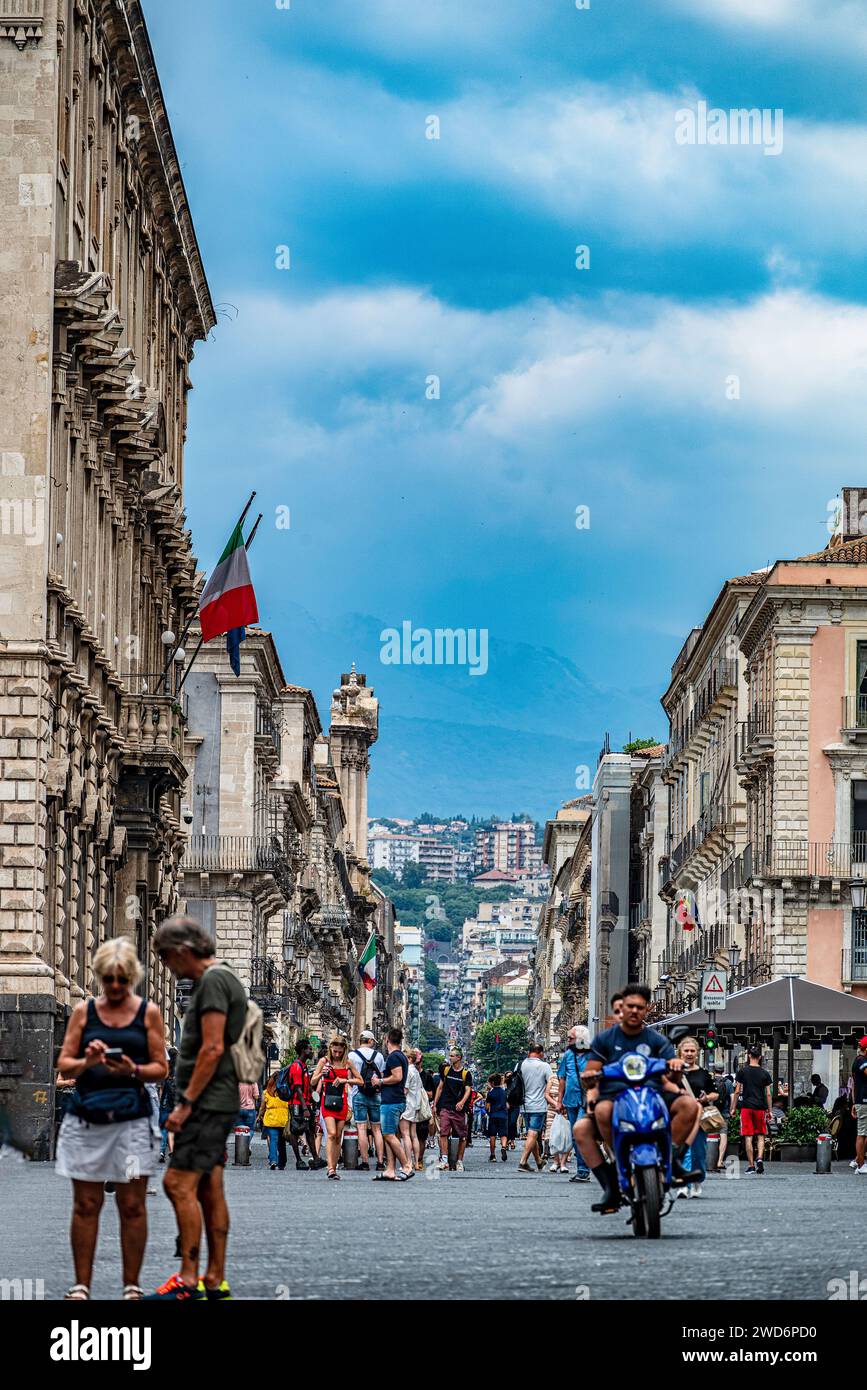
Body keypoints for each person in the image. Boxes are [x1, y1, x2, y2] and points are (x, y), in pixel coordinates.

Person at [55, 937, 168, 1301]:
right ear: (100, 976)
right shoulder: (83, 1012)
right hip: (86, 1118)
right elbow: (64, 1065)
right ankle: (81, 1285)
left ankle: (131, 1285)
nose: (116, 986)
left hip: (132, 1122)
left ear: (131, 977)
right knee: (86, 1204)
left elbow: (161, 1069)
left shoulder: (148, 1013)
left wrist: (132, 1067)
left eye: (122, 979)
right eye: (109, 979)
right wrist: (88, 1061)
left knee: (132, 1205)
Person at [147, 915, 249, 1301]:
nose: (167, 967)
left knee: (177, 1183)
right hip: (217, 1099)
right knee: (209, 1189)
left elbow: (212, 1047)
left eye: (166, 957)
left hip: (206, 1101)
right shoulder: (222, 978)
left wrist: (186, 1103)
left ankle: (189, 1279)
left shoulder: (212, 982)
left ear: (183, 951)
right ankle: (214, 1279)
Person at [575, 983, 702, 1214]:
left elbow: (671, 1076)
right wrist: (590, 1076)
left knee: (689, 1105)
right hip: (614, 1095)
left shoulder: (656, 1040)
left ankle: (671, 1158)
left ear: (647, 1010)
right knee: (583, 1128)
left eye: (640, 1008)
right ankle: (611, 1181)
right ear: (622, 1008)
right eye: (630, 1006)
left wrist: (675, 1067)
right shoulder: (605, 1040)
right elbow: (591, 1072)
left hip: (653, 1093)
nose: (634, 1011)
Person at [311, 1035, 363, 1180]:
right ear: (330, 1049)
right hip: (327, 1101)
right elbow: (313, 1080)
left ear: (344, 1050)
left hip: (342, 1101)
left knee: (338, 1136)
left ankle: (333, 1167)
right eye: (334, 1051)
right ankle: (330, 1167)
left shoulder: (347, 1063)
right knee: (332, 1134)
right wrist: (322, 1072)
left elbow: (361, 1081)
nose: (337, 1054)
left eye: (340, 1052)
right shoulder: (324, 1061)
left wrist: (345, 1079)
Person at [675, 1036, 718, 1199]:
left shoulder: (704, 1074)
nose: (689, 1053)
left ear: (697, 1053)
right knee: (683, 1152)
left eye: (692, 1051)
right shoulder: (674, 1074)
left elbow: (715, 1093)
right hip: (680, 1118)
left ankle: (697, 1180)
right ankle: (683, 1185)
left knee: (698, 1153)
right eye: (686, 1050)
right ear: (680, 1053)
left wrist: (706, 1097)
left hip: (700, 1118)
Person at [371, 1027, 414, 1182]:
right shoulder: (400, 1056)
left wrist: (380, 1081)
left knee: (388, 1134)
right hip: (394, 1099)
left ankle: (406, 1166)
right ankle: (390, 1169)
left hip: (392, 1101)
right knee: (389, 1135)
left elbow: (397, 1076)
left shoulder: (394, 1057)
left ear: (387, 1040)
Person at [282, 1039, 325, 1171]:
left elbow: (307, 1087)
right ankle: (299, 1161)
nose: (312, 1051)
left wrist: (313, 1097)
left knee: (310, 1130)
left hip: (305, 1103)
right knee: (295, 1131)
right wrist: (305, 1107)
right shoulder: (296, 1067)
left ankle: (316, 1159)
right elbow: (298, 1089)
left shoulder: (303, 1066)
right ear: (303, 1051)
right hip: (297, 1104)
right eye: (309, 1049)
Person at [557, 1025, 591, 1184]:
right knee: (576, 1136)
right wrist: (559, 1101)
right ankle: (582, 1169)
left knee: (579, 1133)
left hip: (588, 1101)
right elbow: (562, 1078)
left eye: (571, 1038)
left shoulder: (593, 1055)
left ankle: (584, 1169)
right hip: (571, 1100)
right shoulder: (568, 1055)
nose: (568, 1040)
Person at [732, 1045, 773, 1175]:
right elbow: (768, 1094)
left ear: (749, 1056)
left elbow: (737, 1090)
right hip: (760, 1107)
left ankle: (751, 1166)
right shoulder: (764, 1073)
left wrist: (733, 1107)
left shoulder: (742, 1071)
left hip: (746, 1107)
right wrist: (770, 1110)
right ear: (760, 1057)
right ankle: (760, 1159)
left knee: (748, 1136)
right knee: (761, 1135)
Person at [349, 1029, 386, 1171]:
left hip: (358, 1094)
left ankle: (364, 1162)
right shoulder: (379, 1056)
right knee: (377, 1129)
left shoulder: (352, 1055)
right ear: (370, 1041)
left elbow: (350, 1078)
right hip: (376, 1095)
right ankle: (380, 1162)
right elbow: (381, 1076)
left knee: (362, 1129)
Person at [517, 1041, 553, 1174]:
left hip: (524, 1105)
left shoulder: (521, 1065)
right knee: (533, 1134)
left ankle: (538, 1161)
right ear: (541, 1053)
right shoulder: (545, 1066)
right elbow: (552, 1082)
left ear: (529, 1052)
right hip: (539, 1105)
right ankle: (523, 1161)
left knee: (531, 1135)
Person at [434, 1047, 473, 1171]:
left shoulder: (466, 1073)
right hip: (446, 1106)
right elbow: (440, 1088)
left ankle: (459, 1161)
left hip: (459, 1110)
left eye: (452, 1056)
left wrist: (461, 1102)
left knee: (462, 1136)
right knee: (443, 1133)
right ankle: (444, 1160)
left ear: (459, 1058)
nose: (449, 1058)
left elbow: (468, 1090)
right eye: (450, 1056)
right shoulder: (446, 1071)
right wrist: (435, 1104)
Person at [258, 1073, 289, 1171]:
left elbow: (262, 1107)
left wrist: (259, 1116)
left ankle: (273, 1161)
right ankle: (282, 1162)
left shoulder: (266, 1092)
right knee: (282, 1142)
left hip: (271, 1120)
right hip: (283, 1119)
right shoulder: (285, 1091)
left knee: (273, 1141)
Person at [400, 1048, 425, 1169]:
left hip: (407, 1105)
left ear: (409, 1059)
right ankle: (416, 1162)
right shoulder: (415, 1071)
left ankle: (408, 1162)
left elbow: (404, 1090)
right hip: (415, 1105)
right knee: (414, 1135)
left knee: (405, 1135)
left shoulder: (408, 1071)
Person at [158, 1050, 178, 1163]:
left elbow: (161, 1088)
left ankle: (161, 1152)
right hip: (175, 1102)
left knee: (164, 1128)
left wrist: (161, 1102)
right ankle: (172, 1149)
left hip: (165, 1101)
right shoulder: (179, 1071)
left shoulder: (165, 1069)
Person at [851, 1036, 867, 1174]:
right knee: (862, 1133)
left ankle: (858, 1160)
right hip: (864, 1101)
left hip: (861, 1101)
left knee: (864, 1133)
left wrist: (854, 1102)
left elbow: (854, 1085)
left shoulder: (859, 1060)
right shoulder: (861, 1061)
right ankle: (860, 1164)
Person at [712, 1064, 732, 1170]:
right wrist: (732, 1110)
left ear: (714, 1070)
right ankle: (720, 1161)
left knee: (710, 1135)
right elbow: (732, 1097)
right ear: (723, 1071)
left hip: (711, 1112)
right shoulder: (728, 1082)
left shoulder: (709, 1081)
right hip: (724, 1112)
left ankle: (710, 1160)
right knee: (723, 1135)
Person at [485, 1073, 509, 1161]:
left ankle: (493, 1155)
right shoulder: (504, 1092)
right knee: (503, 1134)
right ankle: (503, 1147)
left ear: (492, 1083)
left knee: (492, 1135)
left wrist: (488, 1112)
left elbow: (487, 1107)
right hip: (503, 1115)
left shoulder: (490, 1093)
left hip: (493, 1116)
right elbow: (507, 1105)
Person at [237, 1077, 259, 1145]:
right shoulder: (253, 1082)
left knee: (240, 1130)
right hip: (250, 1109)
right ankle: (246, 1144)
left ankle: (242, 1147)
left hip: (239, 1109)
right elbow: (256, 1096)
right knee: (251, 1129)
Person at [504, 1070, 520, 1149]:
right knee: (507, 1124)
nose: (509, 1078)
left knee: (512, 1122)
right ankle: (507, 1141)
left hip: (515, 1106)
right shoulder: (504, 1086)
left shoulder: (516, 1085)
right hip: (506, 1107)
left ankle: (512, 1140)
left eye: (511, 1076)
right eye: (507, 1077)